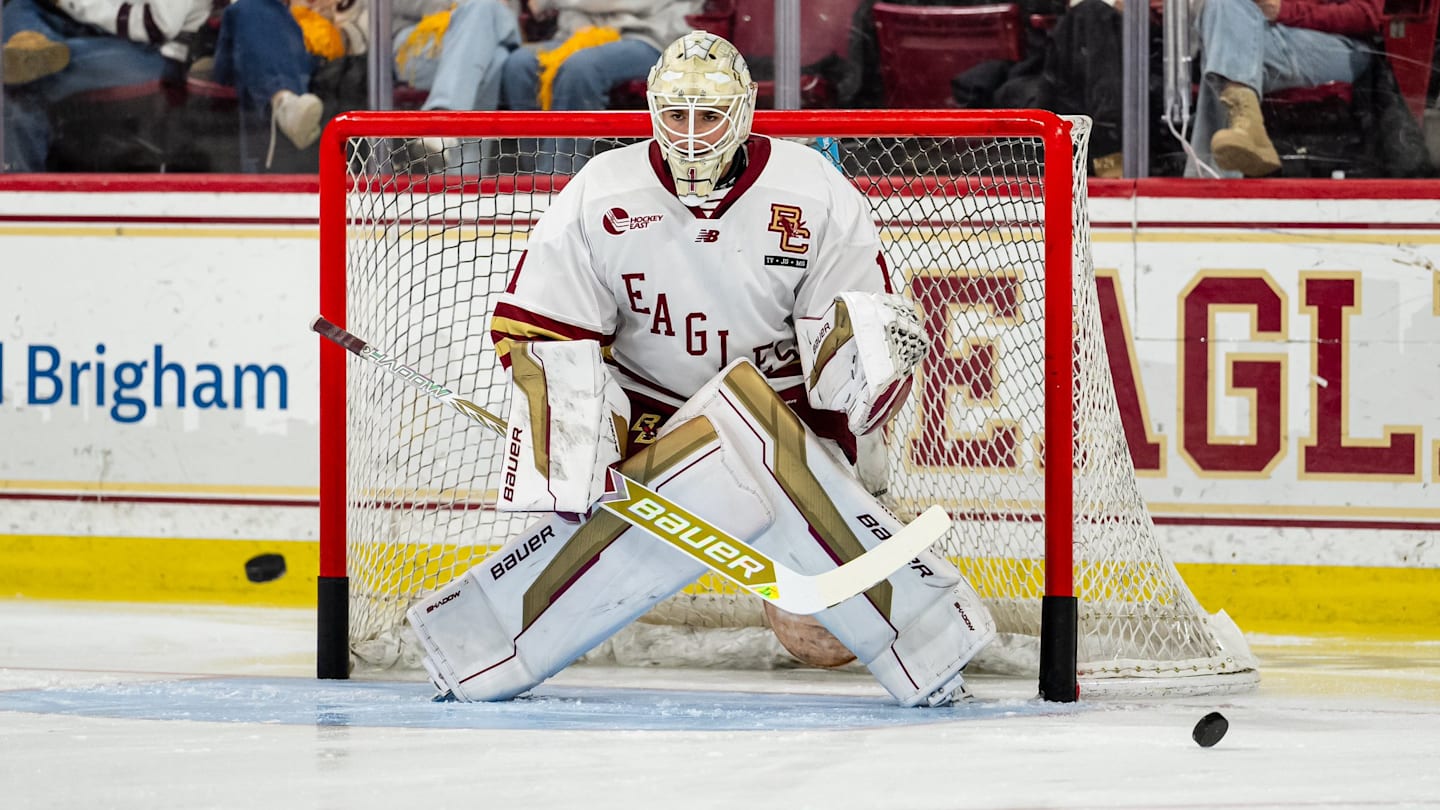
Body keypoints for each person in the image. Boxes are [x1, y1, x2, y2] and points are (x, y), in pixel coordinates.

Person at [404, 31, 996, 707]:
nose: (689, 135)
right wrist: (577, 441)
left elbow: (845, 334)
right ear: (653, 110)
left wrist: (870, 393)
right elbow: (542, 328)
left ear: (741, 113)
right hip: (652, 417)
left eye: (708, 116)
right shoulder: (602, 190)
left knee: (816, 637)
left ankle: (928, 643)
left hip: (782, 414)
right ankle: (477, 651)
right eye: (676, 115)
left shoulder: (812, 191)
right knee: (571, 525)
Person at [2, 0, 212, 171]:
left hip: (153, 57)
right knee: (21, 6)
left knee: (22, 90)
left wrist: (70, 3)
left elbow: (155, 25)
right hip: (104, 36)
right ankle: (27, 47)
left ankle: (20, 191)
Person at [1186, 0, 1383, 177]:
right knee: (1223, 12)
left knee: (1226, 52)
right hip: (1267, 33)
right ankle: (1246, 127)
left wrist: (1284, 10)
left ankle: (1209, 185)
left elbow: (1366, 15)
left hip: (1341, 46)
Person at [499, 0, 700, 172]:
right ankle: (531, 180)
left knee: (581, 68)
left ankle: (554, 179)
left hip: (651, 37)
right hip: (581, 36)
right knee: (519, 64)